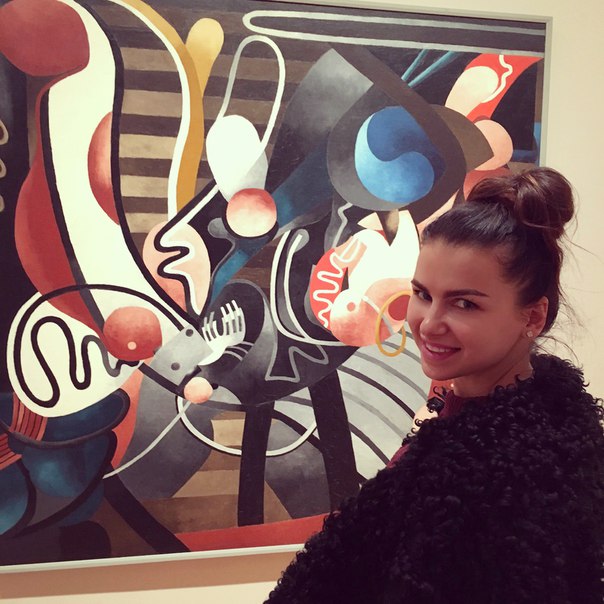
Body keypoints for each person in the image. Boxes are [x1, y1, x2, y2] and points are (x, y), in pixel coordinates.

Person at [265, 168, 604, 604]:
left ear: (533, 317)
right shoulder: (481, 422)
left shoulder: (506, 475)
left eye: (464, 303)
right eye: (423, 294)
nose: (428, 323)